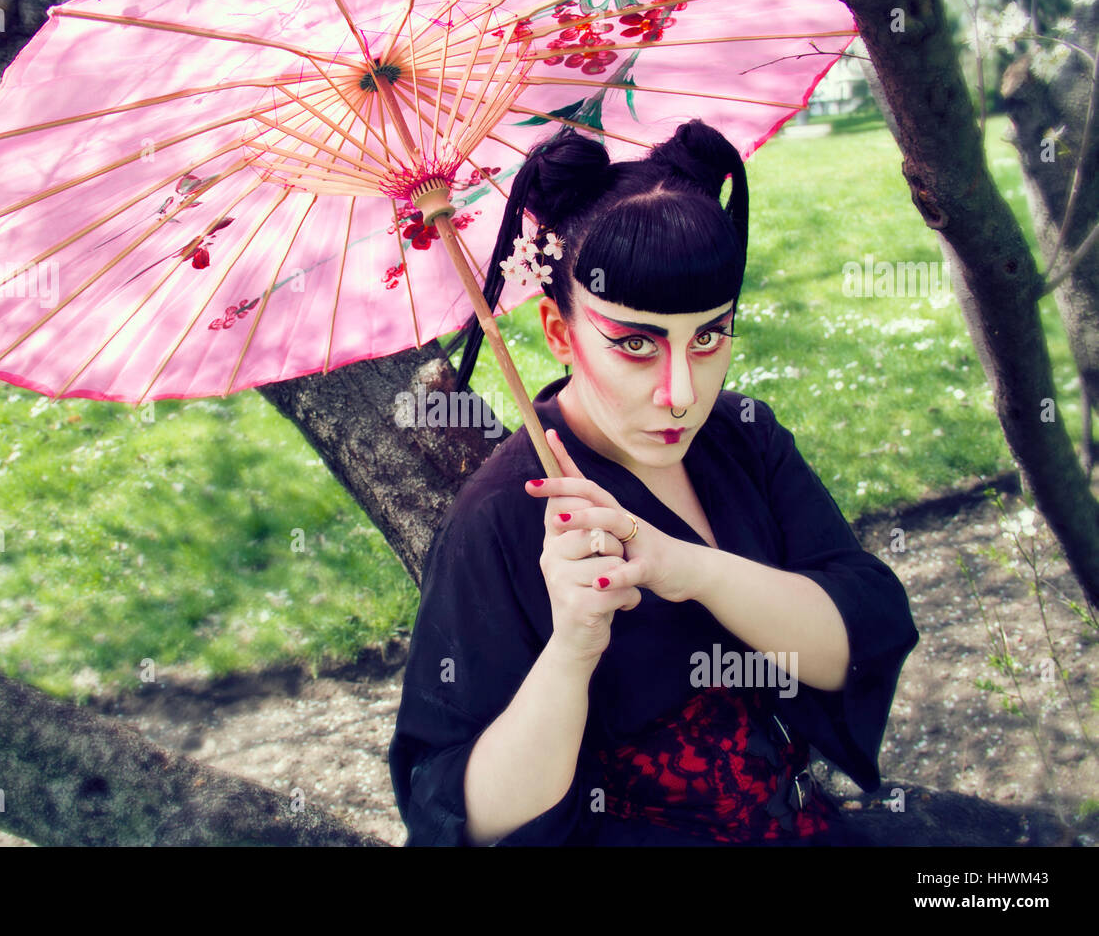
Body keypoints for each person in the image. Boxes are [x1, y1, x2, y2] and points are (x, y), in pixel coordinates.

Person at [387, 119, 919, 846]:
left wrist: (689, 567)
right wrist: (572, 646)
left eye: (709, 337)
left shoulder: (741, 435)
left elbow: (849, 646)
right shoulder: (499, 516)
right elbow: (461, 812)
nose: (680, 393)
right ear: (559, 330)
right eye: (635, 344)